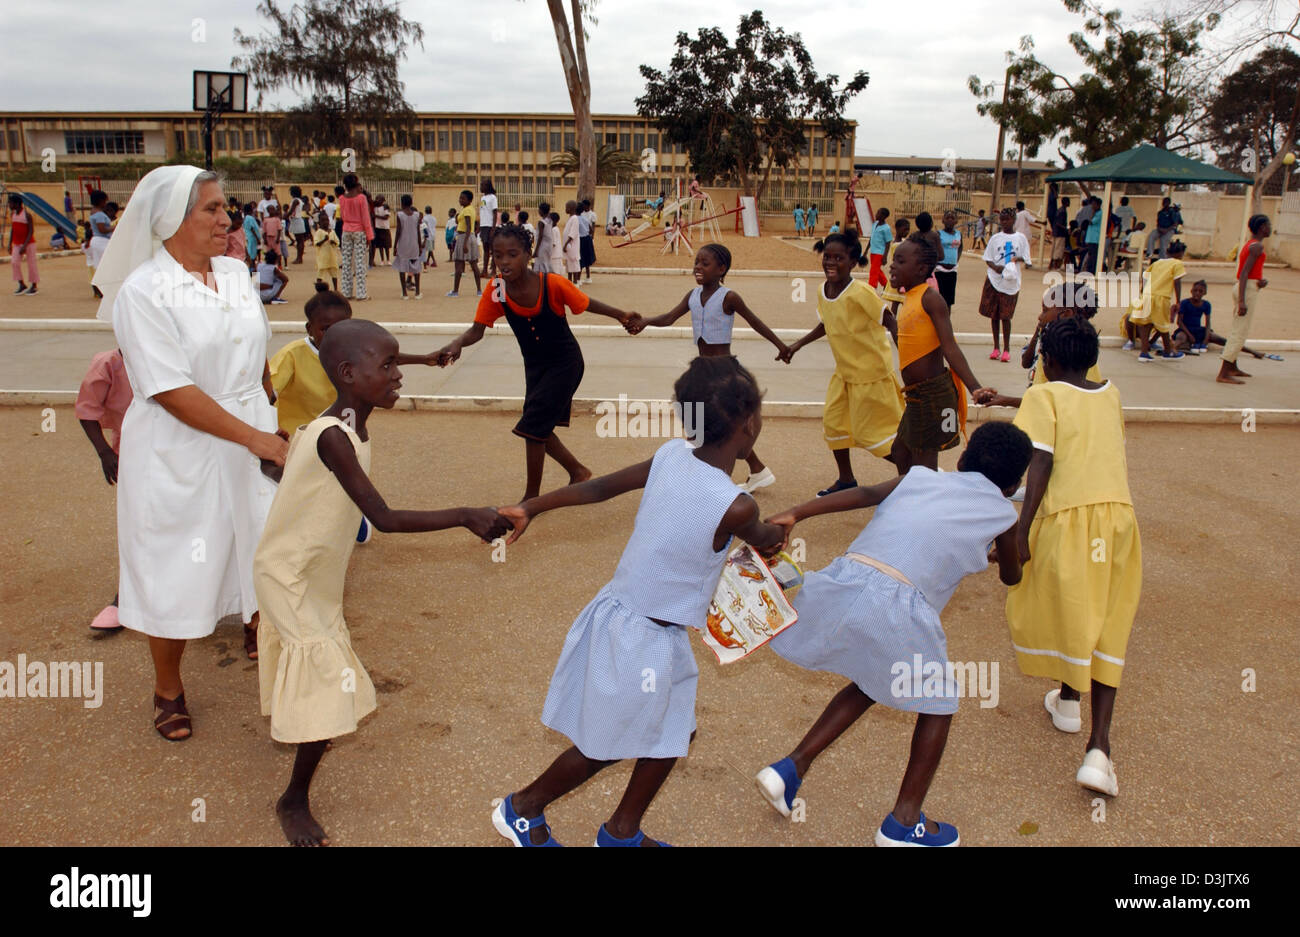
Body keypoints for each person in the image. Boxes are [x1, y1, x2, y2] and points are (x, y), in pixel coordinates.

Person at [491, 355, 788, 847]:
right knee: (606, 744)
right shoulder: (737, 504)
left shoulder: (672, 455)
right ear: (749, 423)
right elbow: (762, 536)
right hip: (642, 638)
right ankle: (522, 808)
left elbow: (600, 488)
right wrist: (777, 533)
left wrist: (532, 506)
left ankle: (621, 832)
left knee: (675, 731)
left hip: (628, 619)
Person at [256, 319, 508, 846]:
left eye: (396, 363)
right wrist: (465, 514)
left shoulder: (345, 424)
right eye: (388, 365)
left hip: (313, 570)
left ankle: (302, 727)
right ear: (349, 374)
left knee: (315, 662)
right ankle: (293, 799)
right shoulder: (334, 438)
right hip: (292, 575)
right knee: (323, 670)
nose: (398, 375)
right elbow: (385, 519)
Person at [755, 421, 1032, 847]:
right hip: (900, 605)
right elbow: (1012, 576)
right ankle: (904, 823)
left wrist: (797, 511)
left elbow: (864, 495)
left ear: (961, 460)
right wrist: (999, 554)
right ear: (1014, 483)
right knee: (939, 705)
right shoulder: (1002, 514)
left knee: (873, 679)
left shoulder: (920, 476)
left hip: (848, 579)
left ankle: (791, 768)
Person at [92, 165, 289, 741]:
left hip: (251, 428)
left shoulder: (234, 271)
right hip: (184, 446)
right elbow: (171, 390)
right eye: (212, 209)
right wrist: (255, 437)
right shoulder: (145, 291)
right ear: (169, 220)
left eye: (226, 207)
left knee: (260, 543)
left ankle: (262, 636)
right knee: (176, 563)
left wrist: (268, 410)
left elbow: (250, 348)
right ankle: (168, 687)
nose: (227, 218)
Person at [1006, 316, 1140, 798]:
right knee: (1106, 620)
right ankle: (1082, 726)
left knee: (1064, 607)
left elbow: (1038, 462)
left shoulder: (1044, 396)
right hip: (1120, 521)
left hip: (1069, 519)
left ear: (1049, 360)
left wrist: (1020, 533)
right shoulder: (1111, 392)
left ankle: (1090, 732)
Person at [432, 224, 639, 500]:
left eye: (513, 254)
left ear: (528, 254)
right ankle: (578, 471)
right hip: (535, 367)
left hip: (565, 363)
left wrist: (622, 315)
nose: (504, 262)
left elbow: (587, 302)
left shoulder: (550, 283)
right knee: (537, 425)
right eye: (498, 255)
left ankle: (531, 498)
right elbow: (477, 330)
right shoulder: (496, 290)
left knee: (533, 427)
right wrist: (457, 343)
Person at [629, 243, 789, 492]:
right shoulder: (693, 296)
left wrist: (781, 346)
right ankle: (756, 469)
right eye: (697, 263)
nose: (698, 268)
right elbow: (669, 318)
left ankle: (711, 481)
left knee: (718, 424)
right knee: (699, 419)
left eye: (705, 263)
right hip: (703, 368)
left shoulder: (729, 297)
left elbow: (755, 321)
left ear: (721, 268)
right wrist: (646, 321)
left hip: (724, 370)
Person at [782, 231, 904, 496]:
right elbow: (826, 323)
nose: (831, 263)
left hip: (871, 377)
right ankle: (846, 479)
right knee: (835, 425)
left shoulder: (861, 291)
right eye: (827, 257)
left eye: (839, 258)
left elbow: (890, 320)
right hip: (845, 374)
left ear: (853, 262)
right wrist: (796, 345)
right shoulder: (823, 290)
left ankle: (917, 473)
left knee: (875, 436)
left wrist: (905, 355)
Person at [889, 237, 995, 472]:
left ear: (921, 269)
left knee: (923, 462)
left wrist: (974, 387)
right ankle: (912, 499)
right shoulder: (909, 297)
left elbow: (950, 347)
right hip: (916, 395)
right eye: (893, 259)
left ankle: (923, 505)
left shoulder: (931, 299)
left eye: (900, 260)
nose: (892, 265)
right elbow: (912, 345)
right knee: (900, 451)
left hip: (932, 394)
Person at [76, 348, 134, 633]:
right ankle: (124, 598)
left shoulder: (171, 352)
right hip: (132, 450)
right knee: (136, 525)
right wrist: (104, 452)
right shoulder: (108, 363)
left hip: (181, 448)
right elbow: (87, 409)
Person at [269, 284, 351, 438]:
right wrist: (268, 429)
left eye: (341, 327)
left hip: (340, 434)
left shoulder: (354, 354)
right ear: (309, 329)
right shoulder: (292, 355)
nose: (333, 335)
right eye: (325, 329)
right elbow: (268, 394)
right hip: (297, 436)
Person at [1218, 214, 1271, 385]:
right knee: (1240, 331)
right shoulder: (1256, 247)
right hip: (1246, 289)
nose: (1270, 228)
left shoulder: (1252, 245)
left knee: (1237, 328)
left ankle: (1232, 366)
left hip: (1248, 286)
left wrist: (1260, 282)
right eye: (1268, 225)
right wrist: (1242, 301)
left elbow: (1249, 272)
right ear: (1262, 227)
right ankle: (1224, 373)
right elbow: (1244, 273)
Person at [980, 207, 1032, 362]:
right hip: (995, 280)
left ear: (1014, 220)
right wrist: (995, 267)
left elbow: (1026, 257)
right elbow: (988, 258)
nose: (1004, 222)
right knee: (994, 315)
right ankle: (996, 347)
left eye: (1007, 219)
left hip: (1010, 281)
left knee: (1006, 316)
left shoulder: (1020, 238)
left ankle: (1007, 349)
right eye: (1002, 219)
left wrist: (1016, 259)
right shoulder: (995, 238)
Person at [1127, 240, 1187, 362]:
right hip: (1162, 297)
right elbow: (1177, 281)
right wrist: (1178, 300)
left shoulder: (1158, 262)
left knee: (1145, 323)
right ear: (1181, 253)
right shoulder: (1177, 264)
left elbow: (1145, 276)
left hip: (1148, 295)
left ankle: (1144, 352)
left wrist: (1143, 290)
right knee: (1163, 325)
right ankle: (1168, 351)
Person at [338, 174, 373, 301]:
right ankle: (361, 293)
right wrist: (369, 235)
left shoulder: (342, 198)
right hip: (359, 231)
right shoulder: (361, 198)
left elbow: (342, 215)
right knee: (360, 263)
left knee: (346, 263)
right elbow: (365, 218)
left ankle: (346, 292)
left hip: (346, 230)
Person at [447, 189, 482, 297]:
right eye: (460, 198)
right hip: (471, 237)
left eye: (463, 198)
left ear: (469, 200)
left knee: (458, 265)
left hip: (464, 237)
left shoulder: (466, 210)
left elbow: (467, 227)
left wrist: (465, 243)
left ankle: (455, 291)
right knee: (474, 264)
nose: (460, 200)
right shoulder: (470, 209)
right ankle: (479, 290)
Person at [392, 194, 424, 299]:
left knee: (402, 268)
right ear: (411, 203)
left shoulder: (400, 215)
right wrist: (420, 246)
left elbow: (398, 231)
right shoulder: (417, 215)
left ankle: (404, 293)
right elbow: (418, 232)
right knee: (416, 268)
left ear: (402, 203)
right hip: (414, 244)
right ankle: (418, 292)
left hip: (403, 244)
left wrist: (395, 245)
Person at [8, 195, 39, 295]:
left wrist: (24, 245)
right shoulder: (13, 214)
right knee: (14, 262)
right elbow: (13, 229)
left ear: (17, 204)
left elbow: (31, 231)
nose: (9, 205)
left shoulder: (27, 215)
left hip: (29, 243)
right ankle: (21, 284)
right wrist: (9, 243)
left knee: (31, 264)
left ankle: (34, 286)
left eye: (10, 203)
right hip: (17, 243)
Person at [86, 190, 115, 296]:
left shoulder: (93, 212)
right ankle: (101, 288)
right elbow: (102, 229)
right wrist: (115, 227)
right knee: (105, 265)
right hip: (102, 241)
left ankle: (97, 287)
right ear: (100, 201)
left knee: (98, 265)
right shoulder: (99, 215)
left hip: (97, 240)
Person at [935, 210, 962, 307]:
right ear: (943, 220)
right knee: (938, 299)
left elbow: (960, 247)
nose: (950, 220)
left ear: (956, 221)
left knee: (949, 301)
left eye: (952, 218)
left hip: (952, 271)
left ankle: (946, 321)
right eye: (947, 218)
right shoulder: (938, 234)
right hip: (939, 270)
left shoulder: (958, 234)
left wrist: (956, 259)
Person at [312, 209, 342, 291]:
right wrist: (324, 240)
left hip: (332, 257)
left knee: (334, 274)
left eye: (327, 220)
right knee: (320, 273)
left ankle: (336, 289)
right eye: (323, 221)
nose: (325, 222)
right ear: (319, 222)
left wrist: (333, 242)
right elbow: (316, 243)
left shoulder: (332, 232)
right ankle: (318, 290)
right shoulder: (319, 232)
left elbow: (337, 242)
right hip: (322, 257)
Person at [1146, 196, 1183, 261]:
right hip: (1160, 229)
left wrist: (1166, 230)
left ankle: (1162, 258)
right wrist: (1160, 229)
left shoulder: (1172, 212)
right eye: (1163, 202)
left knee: (1163, 240)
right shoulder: (1160, 212)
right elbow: (1158, 222)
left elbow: (1175, 223)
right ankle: (1149, 253)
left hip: (1169, 229)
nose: (1164, 204)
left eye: (1165, 202)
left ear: (1168, 203)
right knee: (1152, 235)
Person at [867, 207, 892, 289]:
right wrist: (865, 251)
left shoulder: (886, 228)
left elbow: (888, 243)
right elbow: (871, 238)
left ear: (884, 216)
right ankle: (886, 284)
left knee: (873, 271)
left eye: (878, 213)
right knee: (877, 270)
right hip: (873, 251)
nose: (876, 214)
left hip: (879, 253)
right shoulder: (875, 224)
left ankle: (872, 287)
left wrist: (885, 256)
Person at [478, 179, 500, 276]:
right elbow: (482, 213)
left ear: (487, 186)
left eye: (482, 185)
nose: (481, 187)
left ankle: (494, 270)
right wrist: (479, 227)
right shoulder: (482, 199)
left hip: (490, 226)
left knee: (493, 249)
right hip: (483, 226)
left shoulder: (492, 198)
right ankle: (484, 270)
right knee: (485, 249)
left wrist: (493, 228)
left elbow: (495, 212)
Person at [287, 186, 309, 264]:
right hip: (297, 220)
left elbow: (291, 211)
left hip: (297, 220)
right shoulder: (298, 200)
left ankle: (299, 258)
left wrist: (284, 216)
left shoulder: (296, 200)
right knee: (299, 240)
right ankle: (299, 257)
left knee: (300, 241)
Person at [562, 200, 582, 285]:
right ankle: (569, 281)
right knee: (569, 264)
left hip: (571, 245)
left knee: (574, 263)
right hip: (568, 246)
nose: (565, 209)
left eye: (566, 207)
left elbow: (572, 233)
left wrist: (566, 244)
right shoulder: (570, 218)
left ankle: (575, 282)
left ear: (571, 208)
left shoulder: (575, 218)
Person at [578, 199, 597, 283]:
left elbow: (593, 226)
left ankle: (586, 277)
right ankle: (582, 277)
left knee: (585, 258)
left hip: (586, 236)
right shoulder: (581, 214)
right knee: (584, 257)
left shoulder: (592, 214)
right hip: (584, 236)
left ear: (588, 206)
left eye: (584, 205)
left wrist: (592, 236)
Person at [370, 195, 391, 267]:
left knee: (386, 245)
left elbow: (386, 217)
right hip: (378, 228)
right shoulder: (375, 207)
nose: (377, 200)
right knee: (380, 245)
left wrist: (376, 216)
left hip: (385, 228)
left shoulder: (385, 207)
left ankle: (388, 260)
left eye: (379, 199)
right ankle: (382, 260)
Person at [533, 200, 554, 274]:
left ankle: (542, 280)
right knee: (547, 263)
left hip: (542, 246)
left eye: (539, 209)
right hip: (549, 246)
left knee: (541, 263)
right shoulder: (550, 220)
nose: (538, 211)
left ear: (541, 211)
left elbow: (540, 237)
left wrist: (536, 250)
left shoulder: (541, 222)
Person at [262, 204, 285, 269]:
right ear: (268, 211)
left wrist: (278, 238)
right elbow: (264, 231)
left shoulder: (277, 219)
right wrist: (265, 239)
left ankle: (279, 265)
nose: (272, 211)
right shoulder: (265, 220)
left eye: (273, 209)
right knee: (268, 252)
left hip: (275, 238)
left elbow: (279, 229)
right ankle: (270, 265)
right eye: (270, 210)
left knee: (278, 252)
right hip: (268, 238)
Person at [242, 203, 262, 270]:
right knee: (252, 257)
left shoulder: (246, 217)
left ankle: (252, 272)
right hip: (253, 238)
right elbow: (252, 228)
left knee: (253, 255)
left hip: (251, 238)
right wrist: (257, 239)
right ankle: (254, 275)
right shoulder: (249, 218)